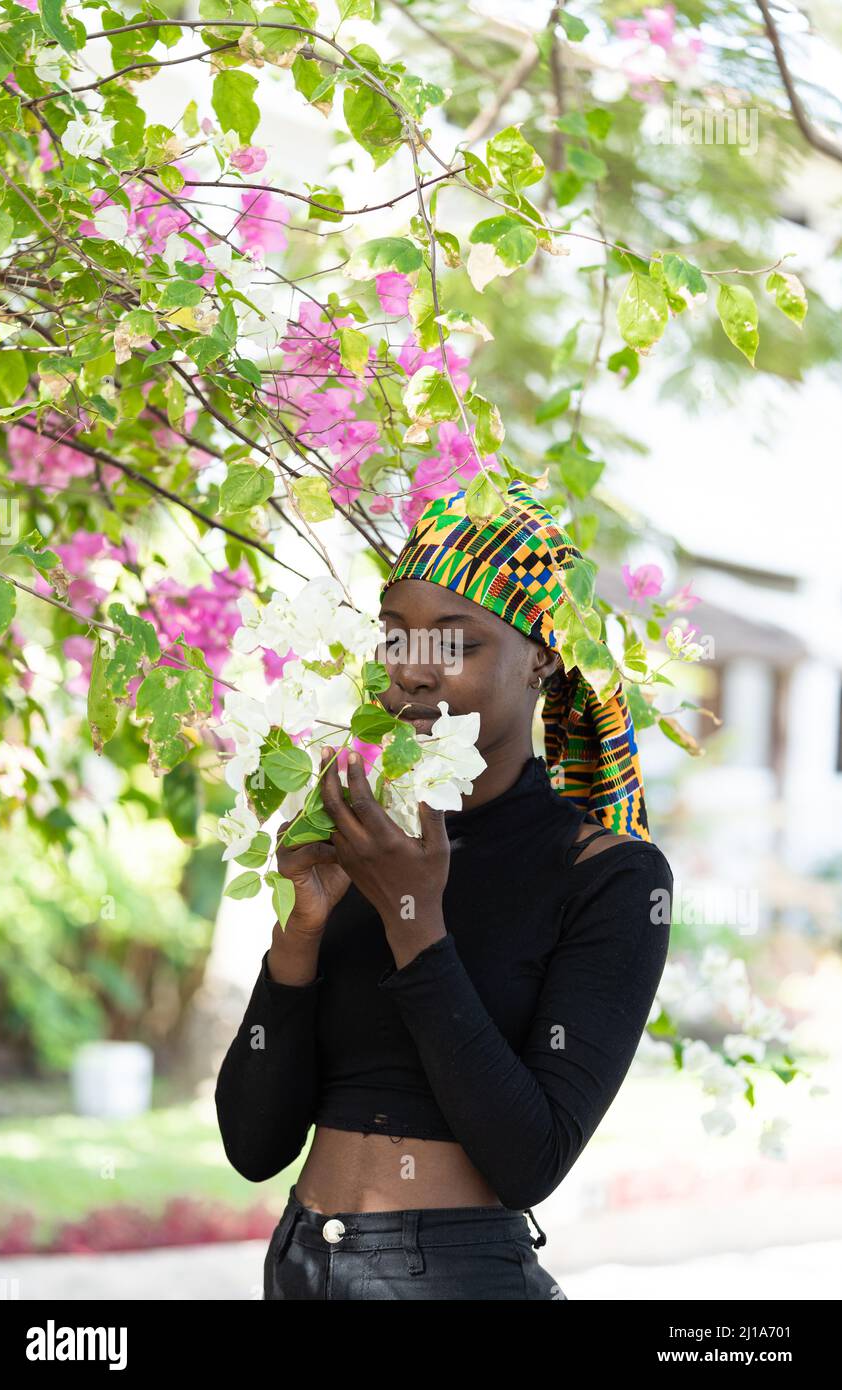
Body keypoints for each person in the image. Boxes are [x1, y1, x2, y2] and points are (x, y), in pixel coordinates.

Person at [215, 479, 673, 1300]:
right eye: (397, 639)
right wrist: (299, 934)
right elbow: (254, 1145)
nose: (415, 674)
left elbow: (530, 1161)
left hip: (454, 1276)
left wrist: (412, 919)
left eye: (455, 645)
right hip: (298, 1265)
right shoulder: (360, 838)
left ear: (540, 655)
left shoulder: (608, 876)